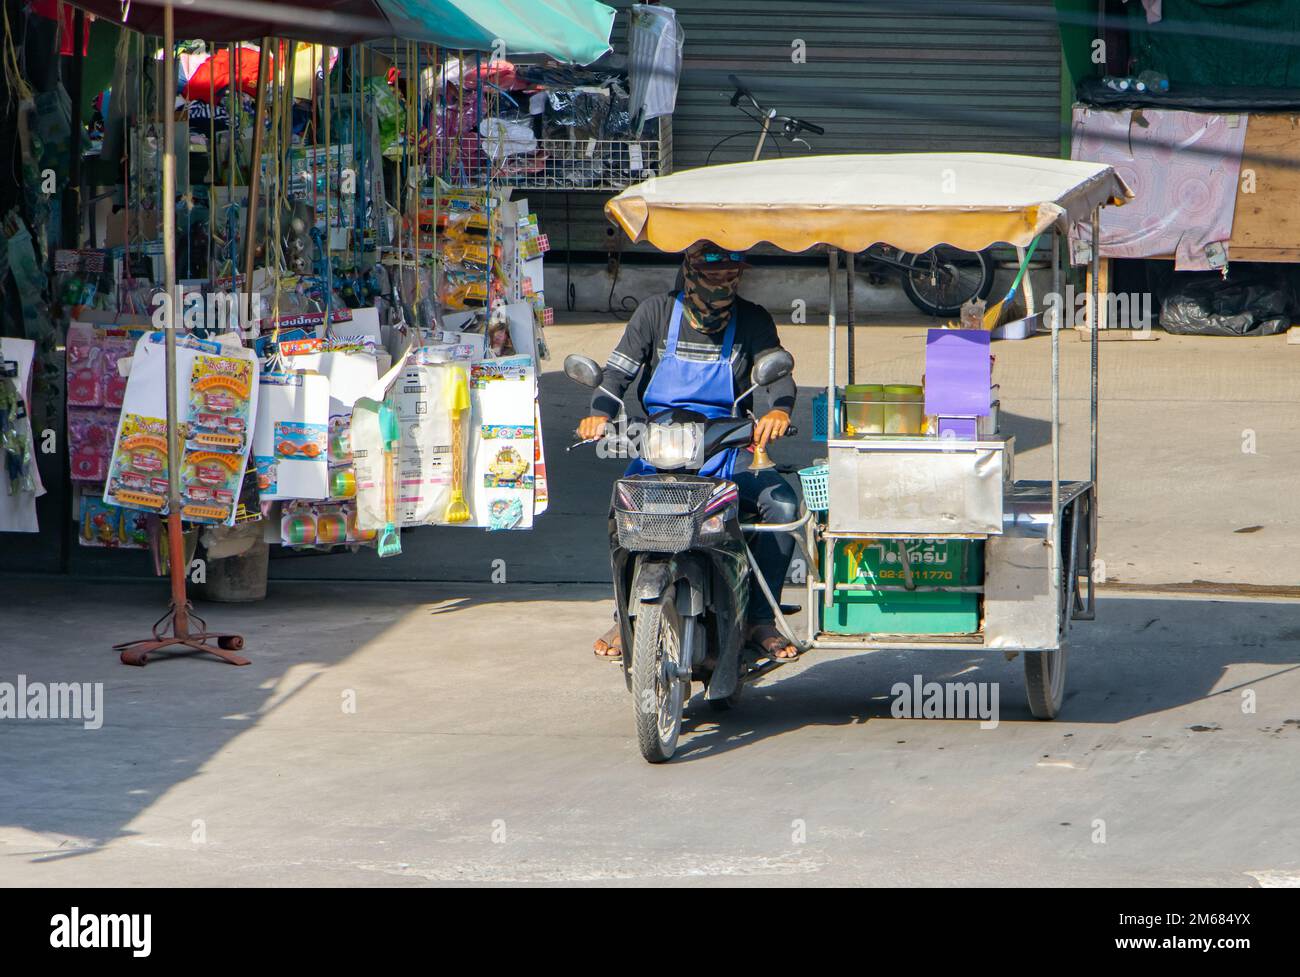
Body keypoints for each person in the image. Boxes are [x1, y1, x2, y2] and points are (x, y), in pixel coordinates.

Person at [577, 241, 800, 661]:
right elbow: (616, 375)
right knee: (622, 513)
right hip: (660, 443)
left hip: (728, 446)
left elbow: (778, 374)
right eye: (711, 278)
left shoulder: (752, 319)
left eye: (729, 279)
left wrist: (779, 411)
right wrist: (598, 413)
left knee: (783, 507)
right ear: (690, 274)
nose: (720, 288)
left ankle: (758, 618)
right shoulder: (655, 312)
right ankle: (625, 613)